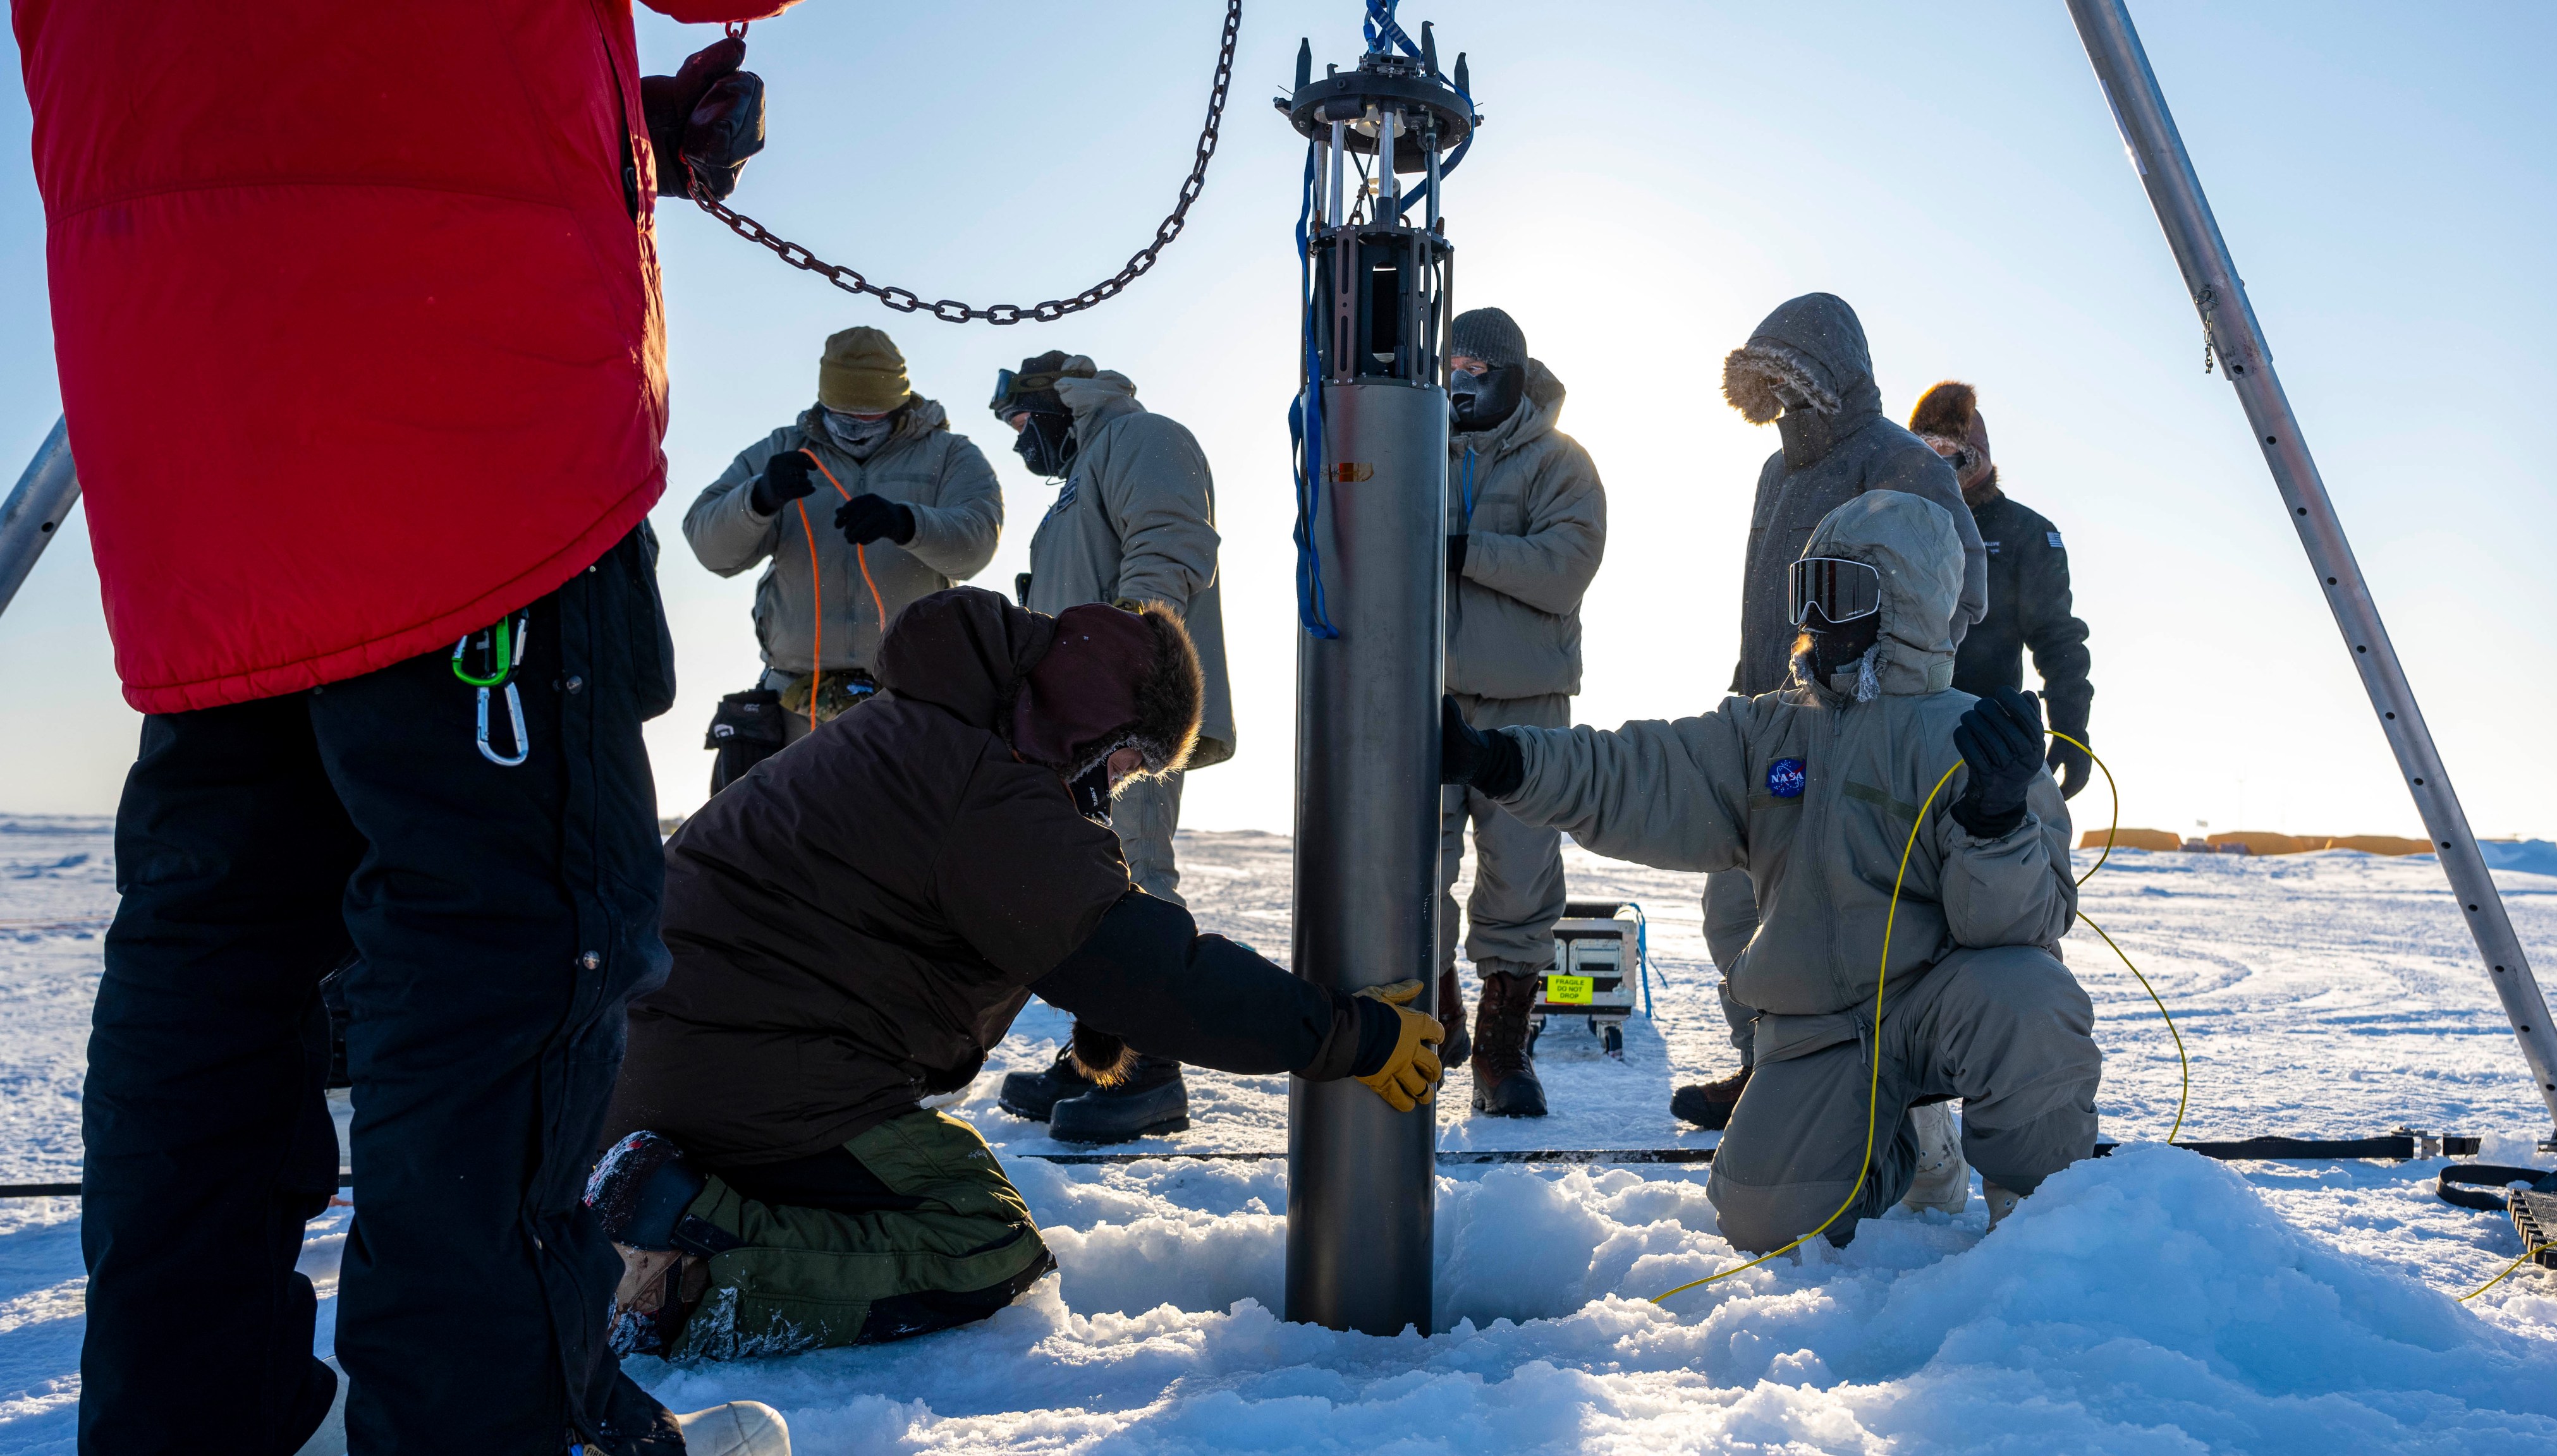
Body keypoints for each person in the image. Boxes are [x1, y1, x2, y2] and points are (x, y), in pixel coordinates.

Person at [20, 5, 797, 1450]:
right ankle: (494, 1420)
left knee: (220, 951)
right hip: (464, 393)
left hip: (181, 373)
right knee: (493, 952)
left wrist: (592, 107)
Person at [591, 588, 1441, 1356]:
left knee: (918, 1183)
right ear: (1095, 719)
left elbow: (1061, 922)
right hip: (740, 1071)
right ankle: (681, 1272)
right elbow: (1157, 975)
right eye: (1129, 761)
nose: (1117, 786)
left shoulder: (934, 730)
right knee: (979, 1237)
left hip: (665, 1063)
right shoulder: (985, 785)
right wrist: (1347, 1032)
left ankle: (659, 1202)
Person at [1440, 489, 2099, 1250]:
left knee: (2030, 996)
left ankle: (2040, 1221)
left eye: (1843, 593)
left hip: (1942, 1005)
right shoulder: (1769, 731)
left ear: (1907, 603)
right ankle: (1906, 1146)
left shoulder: (1971, 740)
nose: (1817, 617)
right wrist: (1501, 760)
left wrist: (1996, 818)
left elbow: (2019, 927)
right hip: (1821, 1028)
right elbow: (1637, 771)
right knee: (1763, 1222)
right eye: (1807, 590)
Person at [1671, 293, 1992, 1134]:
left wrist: (1890, 684)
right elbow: (1763, 603)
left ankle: (1881, 1104)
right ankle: (1767, 1070)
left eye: (1796, 379)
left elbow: (1969, 592)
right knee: (1734, 911)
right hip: (1766, 718)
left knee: (1848, 922)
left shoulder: (1903, 463)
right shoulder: (1774, 472)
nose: (1785, 399)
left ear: (1835, 378)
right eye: (1768, 381)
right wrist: (1746, 687)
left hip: (1859, 730)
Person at [986, 353, 1239, 1143]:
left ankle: (1151, 1071)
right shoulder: (1083, 473)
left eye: (1023, 423)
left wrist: (1125, 657)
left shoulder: (1142, 438)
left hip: (1135, 703)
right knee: (1094, 876)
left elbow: (1170, 544)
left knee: (1137, 869)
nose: (1021, 442)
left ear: (1057, 404)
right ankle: (1104, 1055)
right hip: (1084, 713)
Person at [683, 326, 1003, 777]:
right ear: (822, 404)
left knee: (898, 844)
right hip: (796, 710)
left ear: (899, 405)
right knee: (779, 843)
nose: (854, 432)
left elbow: (977, 544)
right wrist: (757, 498)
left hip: (910, 708)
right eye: (842, 418)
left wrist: (907, 523)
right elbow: (706, 545)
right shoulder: (782, 450)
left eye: (869, 419)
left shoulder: (950, 456)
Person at [1434, 308, 1608, 1117]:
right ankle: (1433, 1018)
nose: (1461, 381)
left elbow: (1565, 568)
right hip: (1422, 696)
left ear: (1512, 375)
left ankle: (1503, 1049)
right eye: (1452, 366)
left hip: (1527, 703)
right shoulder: (1411, 452)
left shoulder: (1561, 464)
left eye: (1478, 368)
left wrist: (1464, 548)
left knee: (1520, 875)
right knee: (1408, 868)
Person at [1909, 381, 2095, 800]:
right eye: (1929, 449)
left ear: (1980, 453)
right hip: (1894, 737)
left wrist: (2070, 727)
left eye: (1954, 451)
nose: (1943, 462)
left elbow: (2057, 637)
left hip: (1983, 743)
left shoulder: (2026, 533)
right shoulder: (1891, 519)